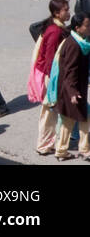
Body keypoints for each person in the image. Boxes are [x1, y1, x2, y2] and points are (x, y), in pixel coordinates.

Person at [32, 0, 71, 156]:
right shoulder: (55, 32)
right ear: (56, 13)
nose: (68, 12)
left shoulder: (57, 27)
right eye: (66, 10)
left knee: (53, 111)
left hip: (53, 75)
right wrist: (56, 81)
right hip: (52, 76)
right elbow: (50, 60)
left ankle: (52, 142)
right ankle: (44, 145)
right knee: (49, 111)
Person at [50, 12, 90, 159]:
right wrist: (73, 92)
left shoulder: (79, 41)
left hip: (72, 90)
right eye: (87, 25)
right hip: (71, 91)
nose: (89, 28)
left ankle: (61, 151)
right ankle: (84, 150)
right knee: (84, 117)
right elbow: (70, 71)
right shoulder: (74, 45)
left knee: (69, 120)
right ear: (78, 27)